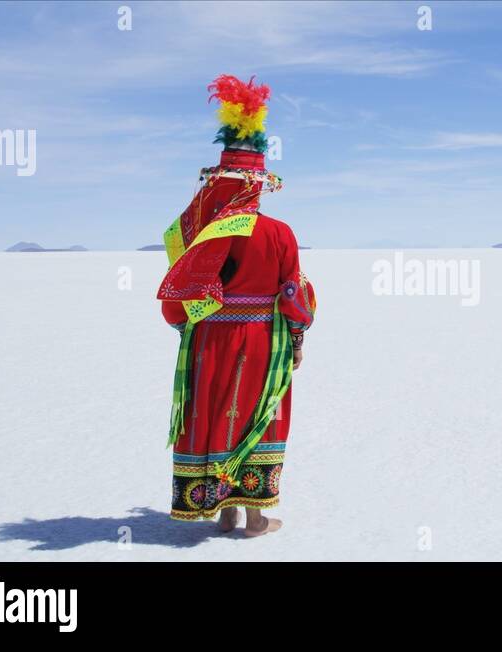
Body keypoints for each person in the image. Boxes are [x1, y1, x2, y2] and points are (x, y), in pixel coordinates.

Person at [157, 74, 315, 537]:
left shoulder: (199, 231)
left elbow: (178, 297)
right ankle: (255, 517)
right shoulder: (278, 233)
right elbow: (292, 294)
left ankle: (221, 511)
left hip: (209, 338)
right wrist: (299, 339)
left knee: (210, 413)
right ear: (256, 184)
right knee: (256, 413)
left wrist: (197, 324)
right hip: (263, 340)